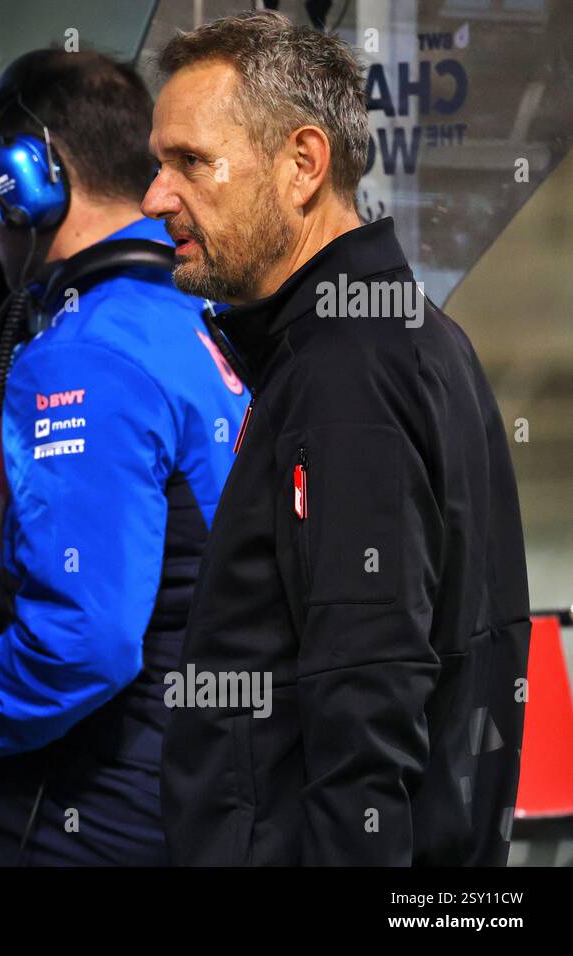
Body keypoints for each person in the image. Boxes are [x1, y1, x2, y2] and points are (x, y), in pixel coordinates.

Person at [143, 11, 530, 865]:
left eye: (190, 163)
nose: (156, 197)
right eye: (157, 164)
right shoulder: (413, 334)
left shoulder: (345, 371)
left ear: (303, 164)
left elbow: (369, 697)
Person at [0, 49, 249, 865]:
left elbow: (83, 647)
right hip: (225, 774)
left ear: (30, 183)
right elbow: (157, 562)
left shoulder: (84, 355)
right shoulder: (209, 316)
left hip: (130, 797)